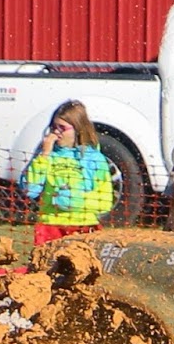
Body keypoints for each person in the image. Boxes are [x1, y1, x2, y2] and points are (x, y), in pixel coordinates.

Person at [20, 99, 113, 245]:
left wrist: (73, 201)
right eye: (53, 127)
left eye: (62, 128)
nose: (56, 132)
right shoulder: (45, 155)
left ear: (77, 129)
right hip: (49, 225)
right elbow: (30, 189)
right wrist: (44, 155)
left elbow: (105, 202)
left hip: (84, 226)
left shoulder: (94, 159)